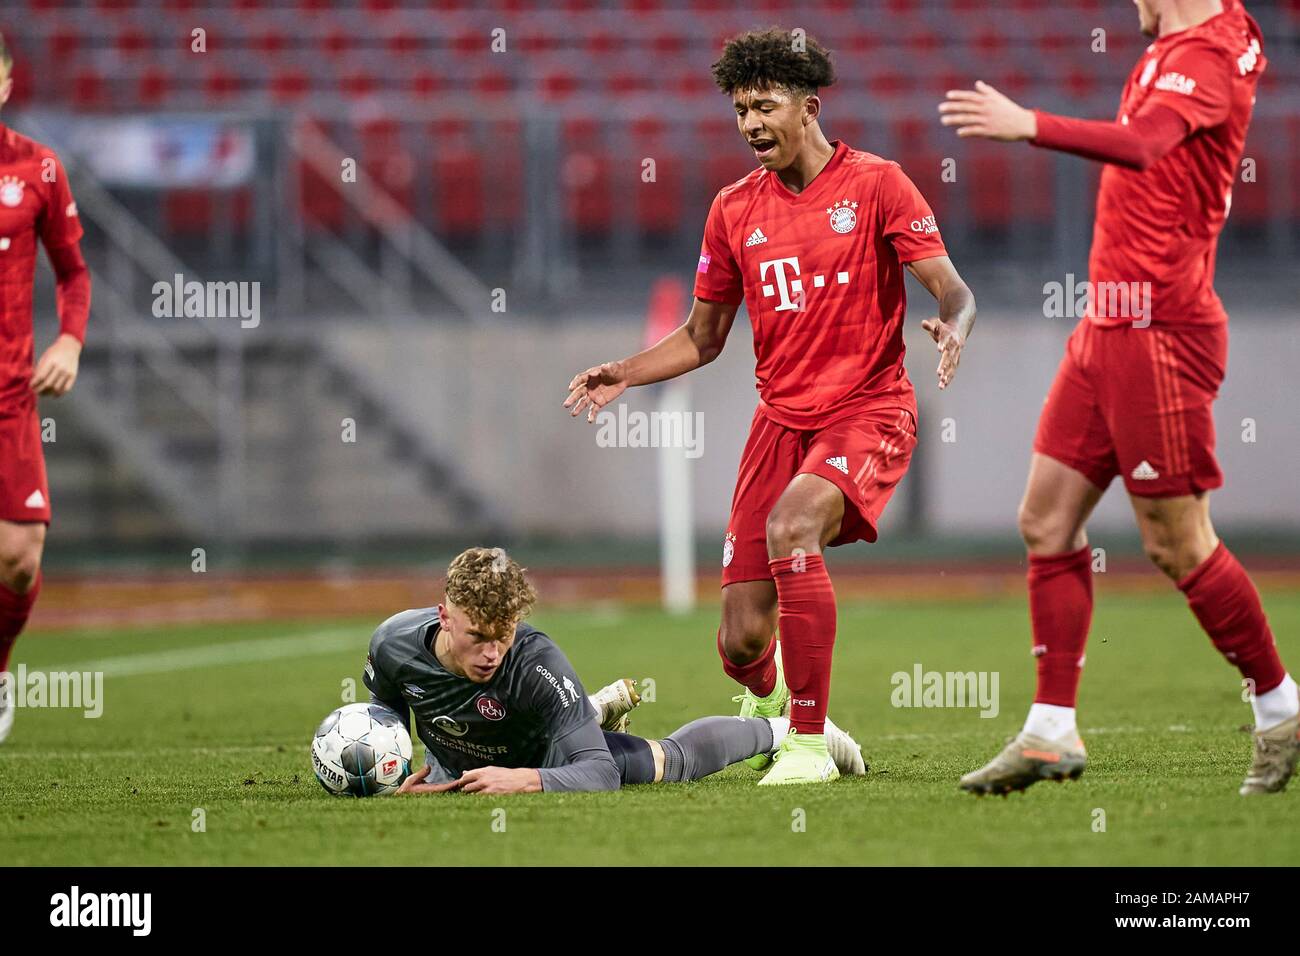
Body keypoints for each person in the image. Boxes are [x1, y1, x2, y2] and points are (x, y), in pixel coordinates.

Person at [564, 27, 976, 785]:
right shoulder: (732, 210)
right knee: (741, 643)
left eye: (765, 106)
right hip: (778, 426)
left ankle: (809, 748)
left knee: (793, 528)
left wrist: (954, 320)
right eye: (740, 110)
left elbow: (951, 285)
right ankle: (787, 706)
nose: (751, 124)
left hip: (868, 409)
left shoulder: (879, 184)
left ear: (809, 106)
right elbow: (703, 335)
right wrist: (625, 371)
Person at [939, 0, 1297, 795]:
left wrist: (1026, 122)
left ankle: (1279, 706)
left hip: (1160, 332)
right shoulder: (1185, 39)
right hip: (1107, 323)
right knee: (1047, 518)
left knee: (1178, 542)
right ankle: (1052, 731)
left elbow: (1141, 145)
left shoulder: (1204, 55)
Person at [364, 547, 865, 795]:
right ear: (444, 616)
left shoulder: (535, 662)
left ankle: (788, 729)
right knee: (573, 719)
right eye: (478, 637)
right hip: (475, 759)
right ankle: (593, 709)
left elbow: (599, 774)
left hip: (553, 753)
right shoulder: (392, 645)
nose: (493, 652)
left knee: (670, 762)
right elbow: (387, 719)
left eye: (504, 635)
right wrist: (405, 770)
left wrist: (525, 779)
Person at [0, 32, 92, 744]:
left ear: (5, 84)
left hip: (10, 395)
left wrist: (67, 339)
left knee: (21, 559)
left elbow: (73, 272)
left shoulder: (39, 168)